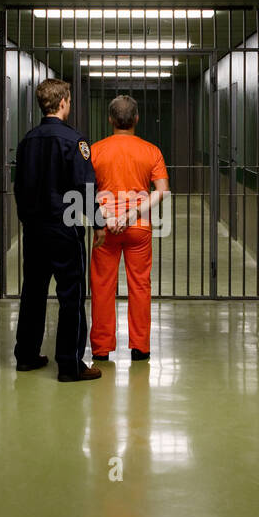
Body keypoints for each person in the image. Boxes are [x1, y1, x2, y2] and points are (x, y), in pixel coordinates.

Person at [12, 78, 103, 382]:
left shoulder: (27, 141)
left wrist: (26, 218)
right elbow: (84, 186)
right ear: (63, 102)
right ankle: (70, 364)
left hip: (35, 228)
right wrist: (98, 222)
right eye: (70, 100)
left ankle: (25, 355)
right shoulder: (74, 141)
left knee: (33, 291)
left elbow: (19, 187)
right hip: (65, 228)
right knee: (71, 295)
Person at [88, 95, 170, 362]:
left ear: (110, 119)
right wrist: (134, 211)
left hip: (105, 227)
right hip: (139, 226)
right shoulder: (151, 150)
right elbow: (162, 192)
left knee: (102, 286)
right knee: (140, 286)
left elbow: (86, 190)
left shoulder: (96, 150)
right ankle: (140, 347)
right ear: (136, 119)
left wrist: (103, 218)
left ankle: (101, 350)